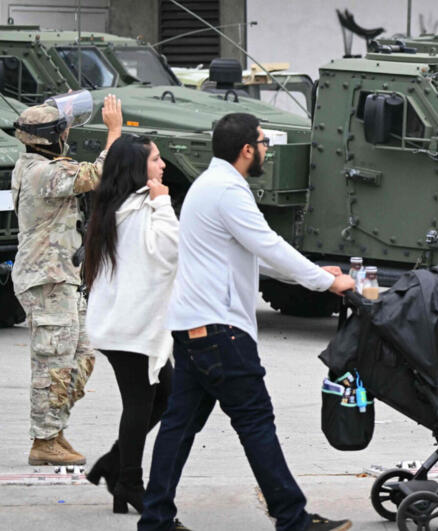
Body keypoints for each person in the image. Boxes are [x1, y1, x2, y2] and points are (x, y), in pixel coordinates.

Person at [138, 113, 355, 531]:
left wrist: (316, 272)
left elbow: (250, 251)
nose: (267, 150)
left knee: (179, 426)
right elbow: (269, 244)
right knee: (256, 422)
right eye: (264, 143)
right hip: (220, 332)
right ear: (246, 150)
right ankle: (292, 519)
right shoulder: (227, 191)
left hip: (194, 328)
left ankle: (156, 518)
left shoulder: (211, 184)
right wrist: (326, 283)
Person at [14, 93, 122, 466]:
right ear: (51, 138)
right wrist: (114, 133)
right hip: (46, 279)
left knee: (83, 354)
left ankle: (55, 427)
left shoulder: (41, 162)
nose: (67, 135)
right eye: (62, 130)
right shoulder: (44, 171)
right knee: (52, 361)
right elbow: (95, 176)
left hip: (61, 275)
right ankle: (44, 441)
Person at [82, 135, 179, 514]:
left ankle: (115, 466)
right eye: (156, 159)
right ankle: (129, 481)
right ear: (139, 168)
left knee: (165, 398)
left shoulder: (114, 205)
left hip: (123, 325)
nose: (162, 165)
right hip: (131, 328)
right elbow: (171, 251)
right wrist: (163, 203)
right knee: (141, 402)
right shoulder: (140, 208)